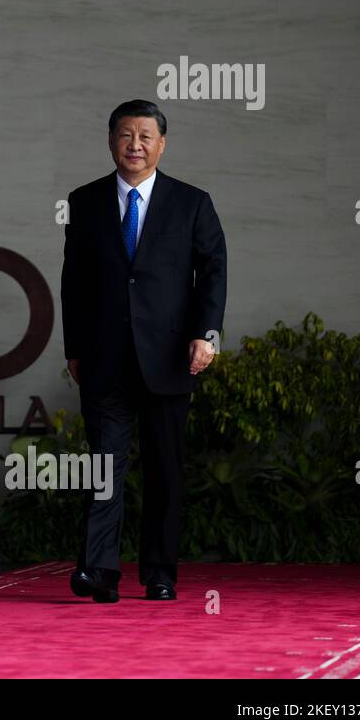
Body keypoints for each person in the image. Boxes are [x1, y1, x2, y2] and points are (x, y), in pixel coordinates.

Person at [60, 100, 227, 602]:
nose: (135, 145)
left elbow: (213, 271)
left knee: (164, 470)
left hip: (170, 357)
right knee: (104, 467)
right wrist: (74, 348)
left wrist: (206, 334)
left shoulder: (191, 202)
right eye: (125, 135)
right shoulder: (84, 201)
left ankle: (159, 573)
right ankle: (98, 571)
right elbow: (73, 280)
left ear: (162, 144)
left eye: (145, 136)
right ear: (111, 141)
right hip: (104, 358)